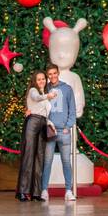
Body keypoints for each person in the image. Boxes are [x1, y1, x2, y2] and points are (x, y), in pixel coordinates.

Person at [39, 63, 77, 202]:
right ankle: (44, 190)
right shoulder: (45, 89)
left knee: (66, 161)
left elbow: (72, 110)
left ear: (58, 73)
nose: (52, 76)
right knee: (47, 161)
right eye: (50, 74)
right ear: (47, 76)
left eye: (54, 73)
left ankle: (68, 191)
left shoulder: (67, 89)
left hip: (64, 131)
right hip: (49, 130)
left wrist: (68, 126)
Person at [17, 70, 55, 201]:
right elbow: (36, 98)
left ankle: (36, 192)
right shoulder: (34, 90)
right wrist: (48, 96)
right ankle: (23, 191)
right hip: (32, 122)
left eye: (43, 79)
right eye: (39, 79)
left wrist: (50, 123)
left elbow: (45, 112)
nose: (41, 81)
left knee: (40, 156)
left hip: (43, 123)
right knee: (29, 156)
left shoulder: (44, 93)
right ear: (35, 80)